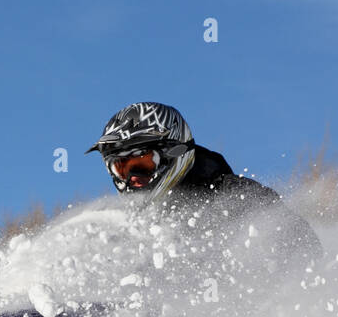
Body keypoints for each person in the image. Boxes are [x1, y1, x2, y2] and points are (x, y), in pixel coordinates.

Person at [86, 101, 321, 261]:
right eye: (121, 168)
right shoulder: (118, 221)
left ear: (174, 153)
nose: (132, 179)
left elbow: (305, 249)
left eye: (141, 165)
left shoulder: (236, 197)